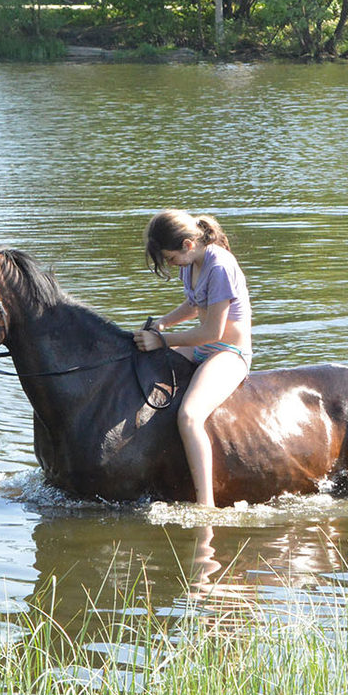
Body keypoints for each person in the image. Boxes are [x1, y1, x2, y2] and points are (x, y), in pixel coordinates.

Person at [133, 209, 253, 507]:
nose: (172, 265)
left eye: (170, 258)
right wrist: (161, 323)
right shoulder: (191, 262)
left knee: (189, 417)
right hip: (203, 347)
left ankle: (206, 505)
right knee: (143, 365)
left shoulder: (220, 265)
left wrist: (162, 340)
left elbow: (213, 331)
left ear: (187, 244)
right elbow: (193, 303)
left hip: (229, 352)